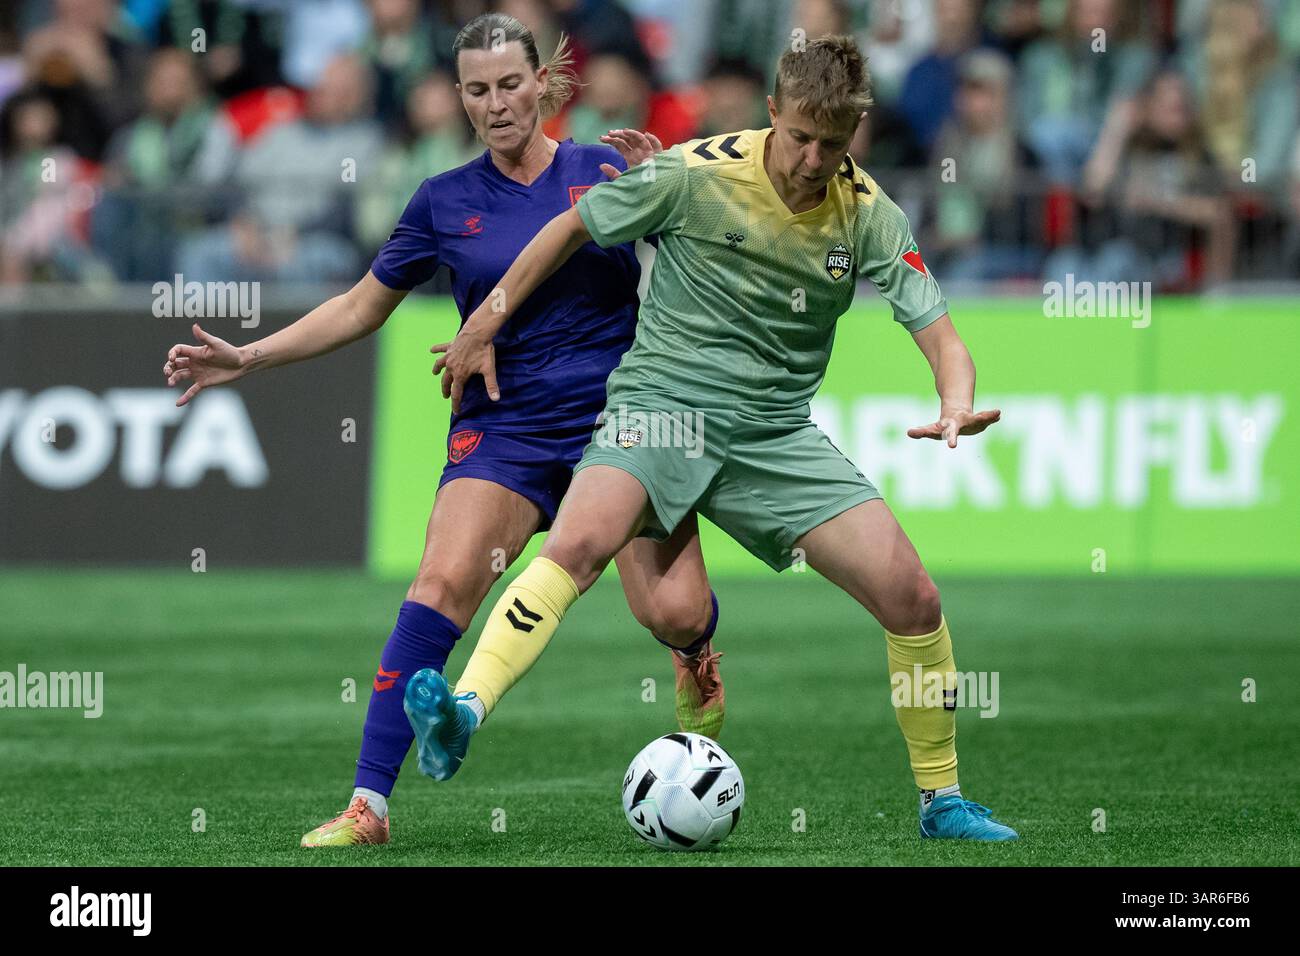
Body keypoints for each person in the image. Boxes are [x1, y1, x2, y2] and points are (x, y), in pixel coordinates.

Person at [406, 33, 1018, 841]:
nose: (810, 159)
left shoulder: (870, 212)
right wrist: (486, 320)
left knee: (914, 597)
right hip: (660, 405)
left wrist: (956, 401)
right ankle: (464, 711)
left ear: (854, 137)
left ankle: (942, 800)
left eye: (831, 145)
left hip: (771, 433)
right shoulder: (696, 171)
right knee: (579, 546)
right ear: (773, 114)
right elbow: (568, 230)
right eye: (798, 137)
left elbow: (939, 332)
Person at [161, 13, 725, 848]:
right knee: (439, 586)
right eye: (477, 89)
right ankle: (369, 805)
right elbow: (360, 306)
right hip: (506, 426)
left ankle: (694, 651)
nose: (497, 104)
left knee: (675, 611)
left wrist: (673, 192)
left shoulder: (602, 167)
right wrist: (250, 357)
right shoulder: (442, 199)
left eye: (509, 84)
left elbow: (709, 256)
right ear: (458, 96)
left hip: (621, 419)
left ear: (542, 82)